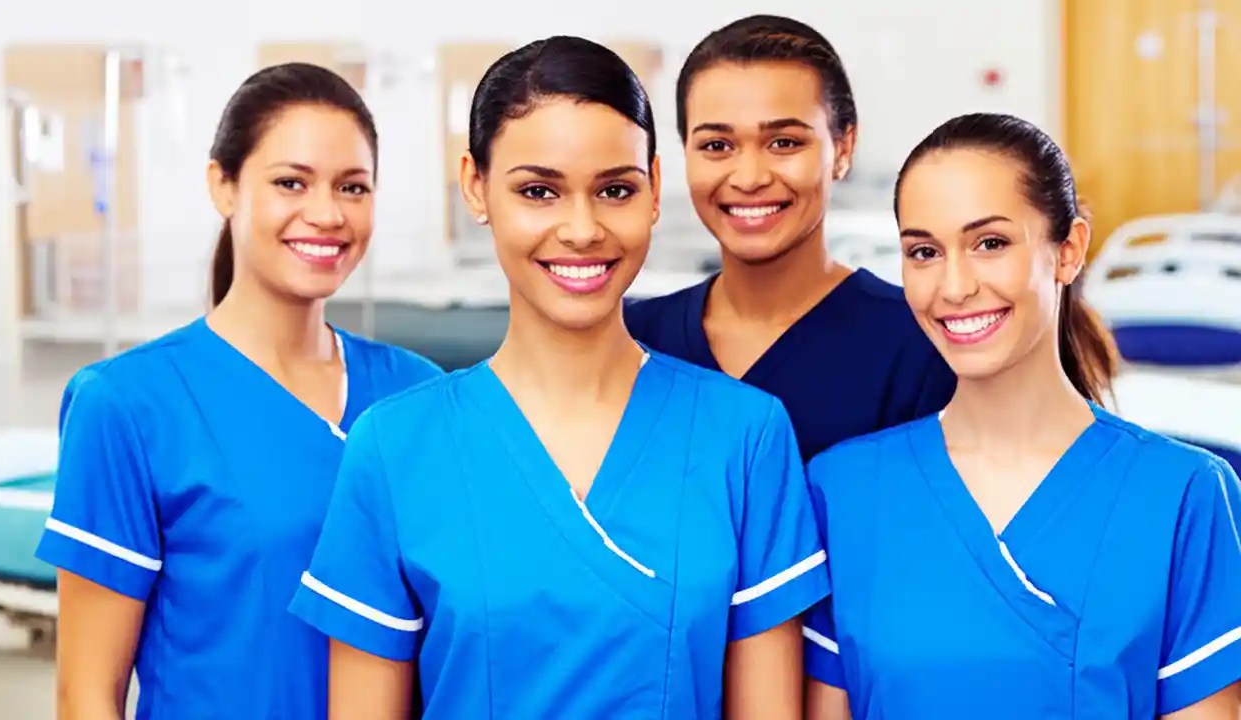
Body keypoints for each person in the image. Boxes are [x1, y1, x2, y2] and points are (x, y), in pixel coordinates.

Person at [288, 36, 826, 719]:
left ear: (655, 190)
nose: (581, 229)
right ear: (476, 187)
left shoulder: (744, 438)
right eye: (539, 191)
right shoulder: (395, 447)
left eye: (615, 190)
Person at [34, 62, 442, 719]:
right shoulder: (130, 405)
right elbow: (86, 694)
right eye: (291, 182)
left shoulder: (419, 396)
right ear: (222, 185)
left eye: (353, 186)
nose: (327, 213)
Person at [803, 113, 1241, 719]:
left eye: (990, 243)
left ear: (1068, 251)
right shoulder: (844, 492)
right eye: (924, 252)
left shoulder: (1183, 496)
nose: (954, 286)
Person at [623, 14, 956, 462]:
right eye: (717, 146)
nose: (750, 177)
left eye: (784, 143)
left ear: (843, 148)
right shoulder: (634, 339)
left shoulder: (919, 344)